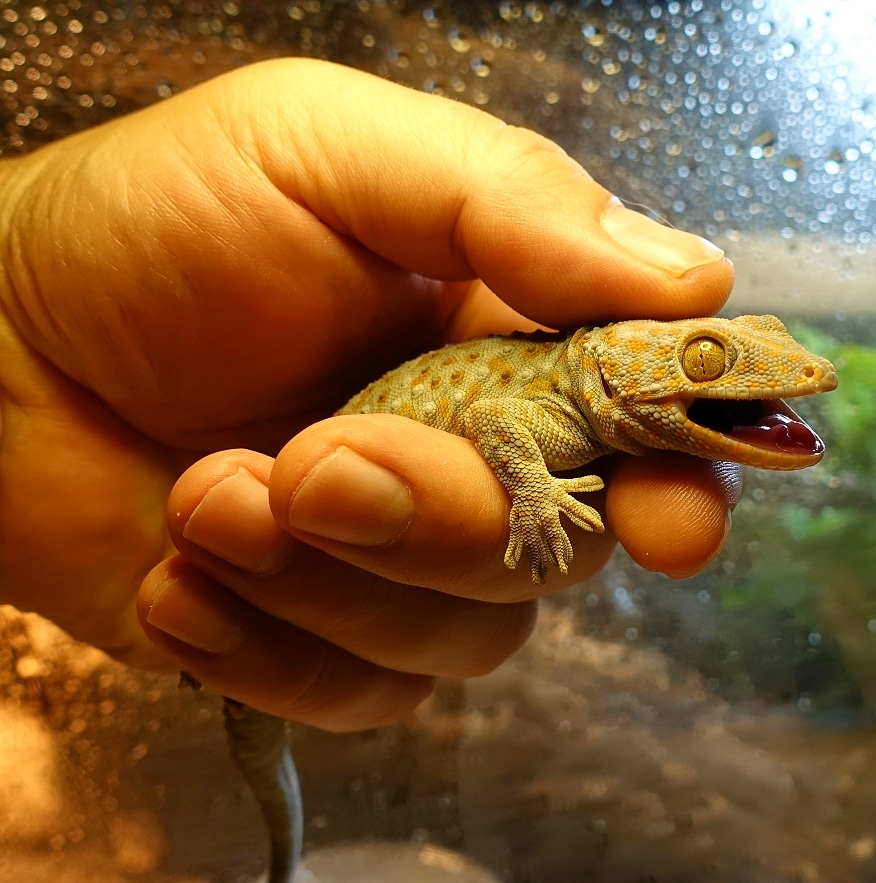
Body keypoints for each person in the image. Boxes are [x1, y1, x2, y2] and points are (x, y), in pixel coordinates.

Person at [0, 58, 741, 731]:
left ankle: (233, 645)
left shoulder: (588, 403)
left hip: (238, 519)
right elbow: (493, 417)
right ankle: (233, 642)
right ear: (622, 364)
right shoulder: (559, 410)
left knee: (280, 613)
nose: (805, 376)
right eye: (708, 356)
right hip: (260, 498)